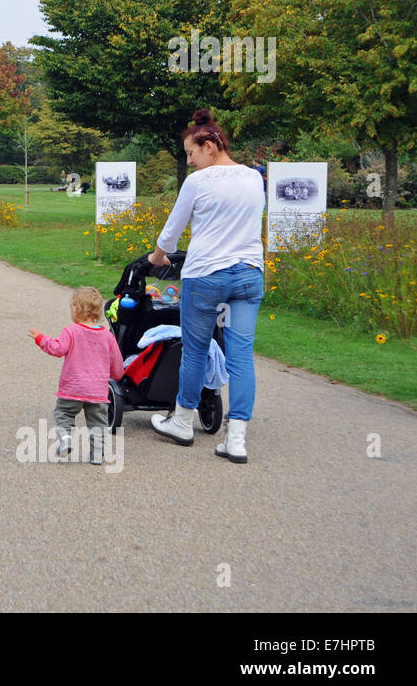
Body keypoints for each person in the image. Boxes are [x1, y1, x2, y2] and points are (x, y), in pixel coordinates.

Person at [148, 108, 265, 463]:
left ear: (210, 146)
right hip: (248, 274)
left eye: (191, 153)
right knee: (241, 355)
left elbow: (171, 231)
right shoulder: (254, 177)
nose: (189, 161)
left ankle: (182, 422)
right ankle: (236, 440)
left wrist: (157, 257)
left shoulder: (198, 182)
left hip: (206, 276)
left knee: (196, 350)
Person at [28, 287, 125, 463]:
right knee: (98, 422)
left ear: (76, 310)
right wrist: (117, 375)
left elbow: (57, 349)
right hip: (97, 391)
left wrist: (41, 339)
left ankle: (66, 438)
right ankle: (97, 454)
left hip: (72, 388)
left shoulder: (71, 331)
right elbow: (117, 363)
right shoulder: (107, 336)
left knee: (64, 412)